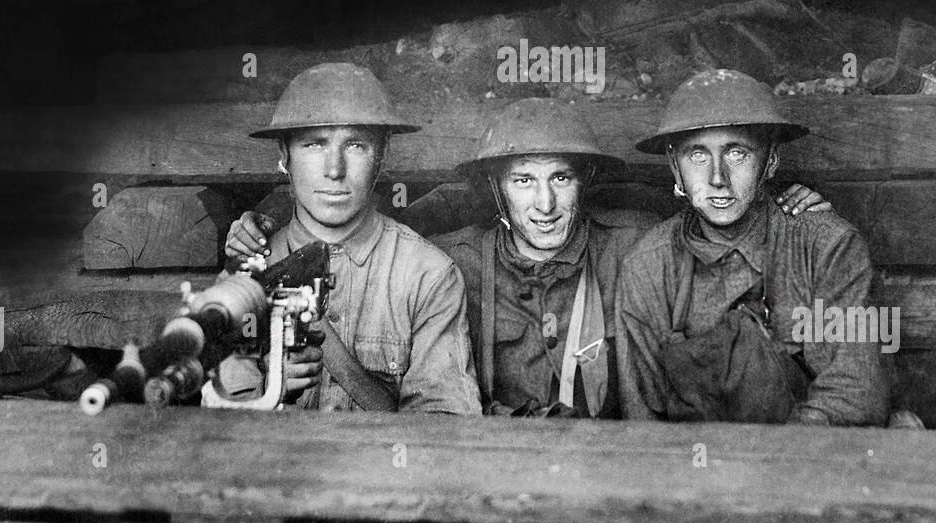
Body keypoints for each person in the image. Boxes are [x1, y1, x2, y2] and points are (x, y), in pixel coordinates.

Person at [226, 95, 831, 417]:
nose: (543, 204)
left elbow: (712, 227)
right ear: (494, 190)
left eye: (561, 179)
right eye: (522, 182)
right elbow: (364, 220)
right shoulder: (453, 261)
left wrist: (781, 205)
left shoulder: (639, 251)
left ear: (586, 181)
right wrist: (264, 225)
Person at [617, 68, 892, 426]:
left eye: (737, 153)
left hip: (809, 463)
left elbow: (857, 392)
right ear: (674, 165)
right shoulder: (649, 265)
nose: (717, 178)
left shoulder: (827, 247)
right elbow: (642, 417)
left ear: (771, 160)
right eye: (698, 155)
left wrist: (763, 461)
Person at [212, 63, 481, 414]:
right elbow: (220, 428)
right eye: (314, 145)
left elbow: (442, 429)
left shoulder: (428, 276)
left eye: (356, 145)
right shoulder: (244, 278)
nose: (334, 169)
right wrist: (270, 392)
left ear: (382, 154)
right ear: (284, 155)